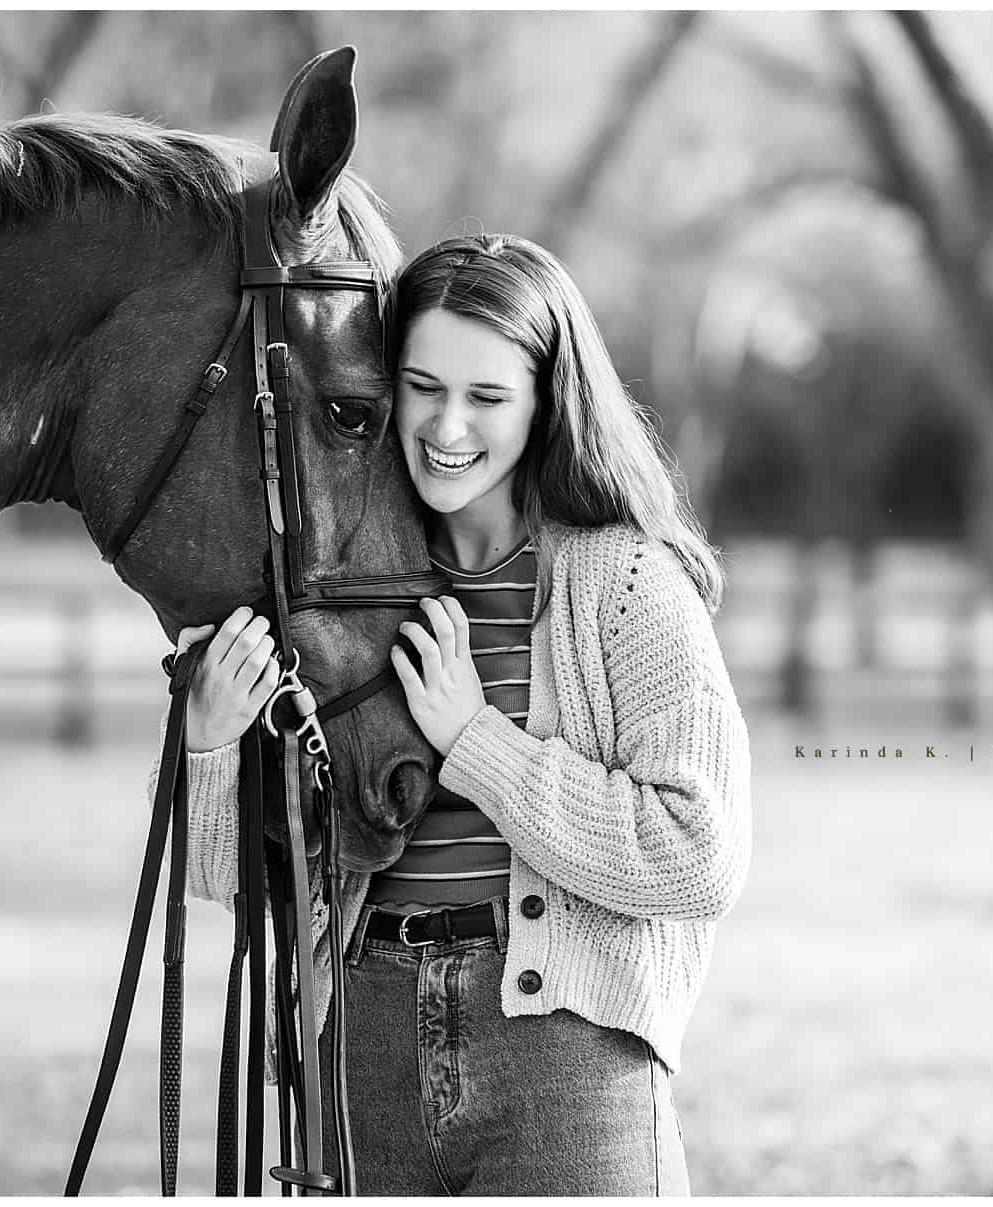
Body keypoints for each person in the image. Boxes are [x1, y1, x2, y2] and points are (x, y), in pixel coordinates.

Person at [159, 234, 751, 1195]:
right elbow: (231, 878)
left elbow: (697, 852)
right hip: (357, 1045)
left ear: (546, 401)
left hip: (566, 1061)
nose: (446, 425)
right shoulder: (328, 590)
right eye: (422, 386)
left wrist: (476, 742)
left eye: (486, 396)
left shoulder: (625, 582)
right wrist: (209, 745)